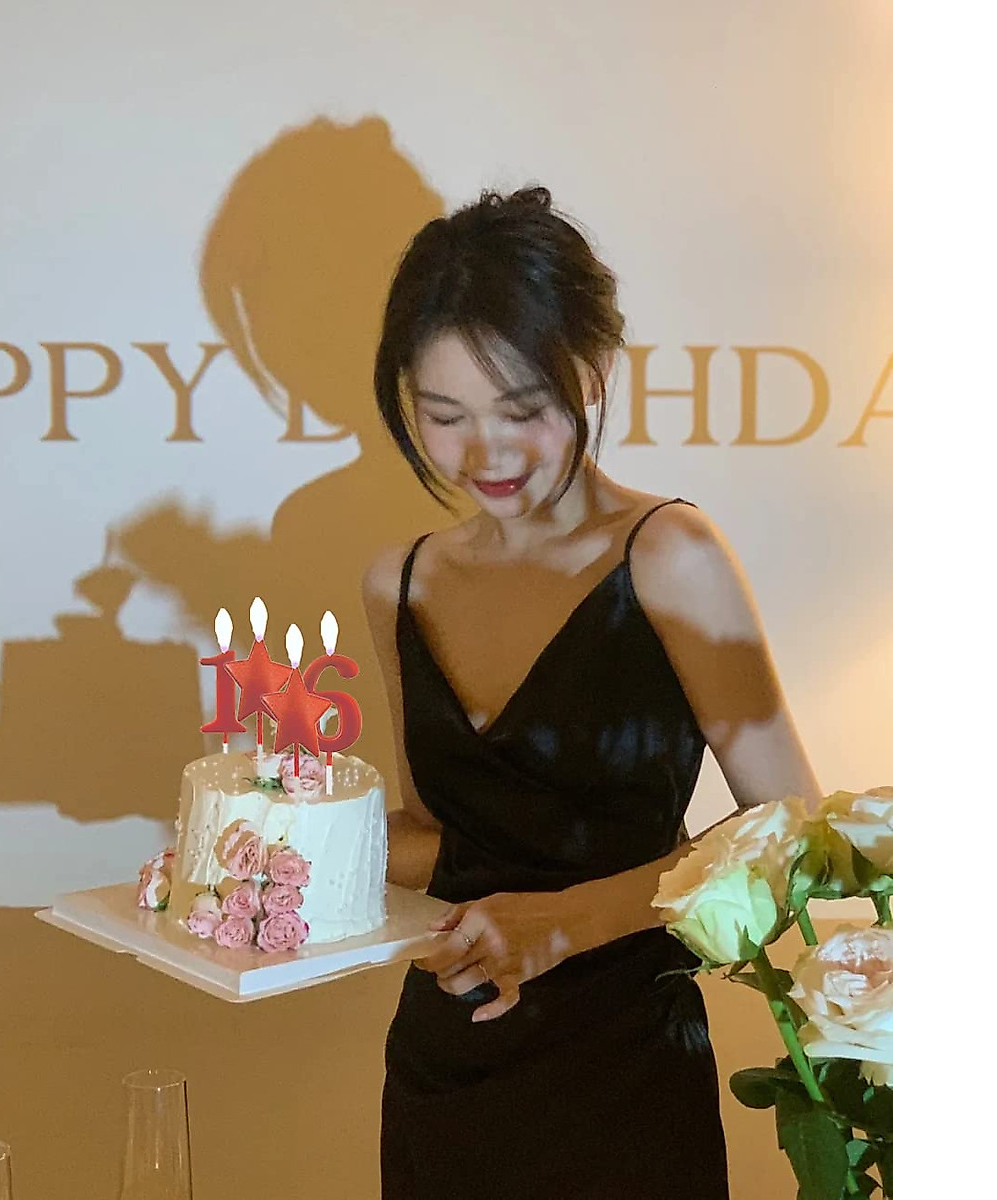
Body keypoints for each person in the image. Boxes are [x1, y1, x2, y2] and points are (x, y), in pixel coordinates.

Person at [362, 186, 822, 1199]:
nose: (485, 454)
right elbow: (444, 839)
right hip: (444, 1069)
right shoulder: (401, 581)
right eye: (445, 416)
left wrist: (563, 925)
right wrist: (263, 855)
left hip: (622, 1071)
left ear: (593, 371)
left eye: (522, 410)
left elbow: (794, 830)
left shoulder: (668, 555)